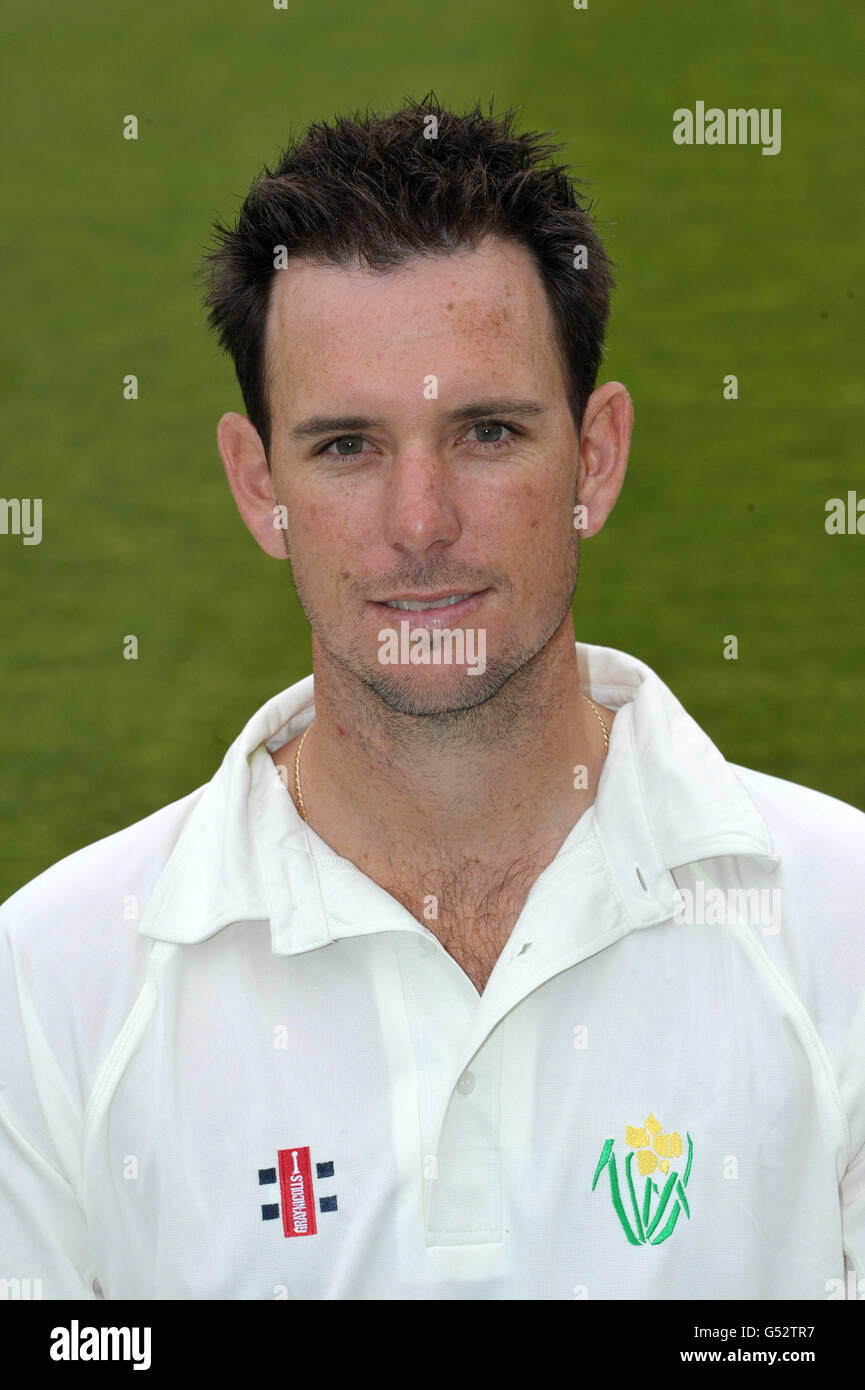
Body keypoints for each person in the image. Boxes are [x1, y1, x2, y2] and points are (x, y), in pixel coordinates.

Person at [1, 96, 863, 1302]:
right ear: (259, 487)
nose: (421, 525)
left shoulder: (844, 927)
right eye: (347, 445)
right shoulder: (48, 987)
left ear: (594, 460)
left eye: (487, 432)